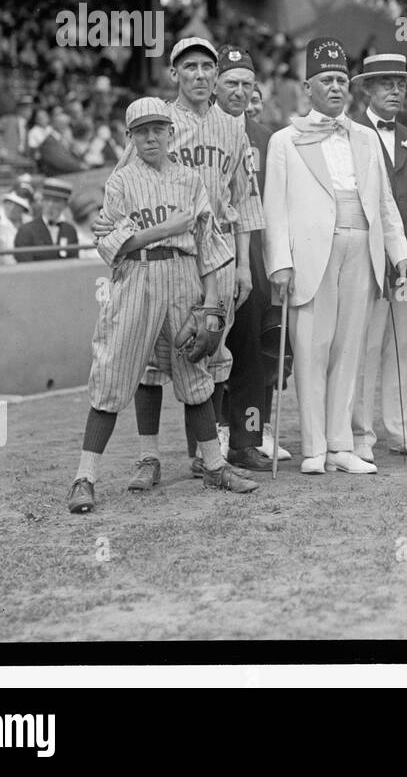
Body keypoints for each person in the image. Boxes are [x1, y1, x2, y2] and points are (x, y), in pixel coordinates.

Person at [65, 97, 257, 513]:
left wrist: (209, 305)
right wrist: (165, 228)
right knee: (113, 374)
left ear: (172, 133)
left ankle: (214, 465)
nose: (151, 137)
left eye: (158, 129)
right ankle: (84, 476)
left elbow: (208, 246)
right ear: (129, 138)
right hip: (137, 279)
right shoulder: (120, 182)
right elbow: (110, 244)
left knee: (195, 374)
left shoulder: (191, 180)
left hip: (185, 278)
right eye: (141, 131)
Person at [97, 37, 265, 482]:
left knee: (209, 349)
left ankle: (209, 454)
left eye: (207, 67)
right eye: (189, 67)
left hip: (216, 251)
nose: (199, 75)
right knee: (152, 360)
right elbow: (121, 182)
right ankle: (149, 456)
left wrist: (245, 264)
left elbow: (244, 199)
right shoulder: (158, 121)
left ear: (215, 73)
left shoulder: (233, 125)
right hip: (165, 257)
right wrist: (114, 229)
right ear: (175, 74)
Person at [263, 37, 407, 476]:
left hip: (361, 247)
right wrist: (280, 262)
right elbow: (274, 208)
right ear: (307, 87)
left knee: (351, 348)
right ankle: (313, 446)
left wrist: (400, 253)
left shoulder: (366, 139)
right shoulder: (285, 141)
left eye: (341, 80)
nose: (335, 88)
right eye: (326, 80)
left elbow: (385, 205)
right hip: (313, 252)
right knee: (312, 347)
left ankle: (340, 445)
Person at [351, 52, 407, 460]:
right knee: (365, 347)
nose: (394, 91)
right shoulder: (350, 135)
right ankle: (360, 433)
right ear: (367, 88)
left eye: (400, 84)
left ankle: (402, 429)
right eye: (386, 83)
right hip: (367, 258)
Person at [215, 45, 285, 470]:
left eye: (246, 84)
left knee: (255, 354)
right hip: (209, 257)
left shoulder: (268, 139)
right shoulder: (197, 130)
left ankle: (247, 438)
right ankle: (207, 441)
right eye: (231, 83)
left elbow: (277, 204)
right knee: (208, 350)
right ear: (217, 85)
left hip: (254, 258)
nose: (239, 91)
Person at [14, 177, 80, 261]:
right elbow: (24, 265)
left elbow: (74, 263)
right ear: (42, 201)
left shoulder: (69, 230)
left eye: (56, 201)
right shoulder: (26, 231)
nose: (50, 205)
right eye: (47, 200)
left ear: (65, 205)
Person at [37, 109, 87, 175]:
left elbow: (69, 157)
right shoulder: (49, 142)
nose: (68, 128)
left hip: (69, 174)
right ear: (61, 126)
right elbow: (61, 162)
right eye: (66, 125)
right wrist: (79, 166)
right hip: (60, 177)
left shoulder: (61, 140)